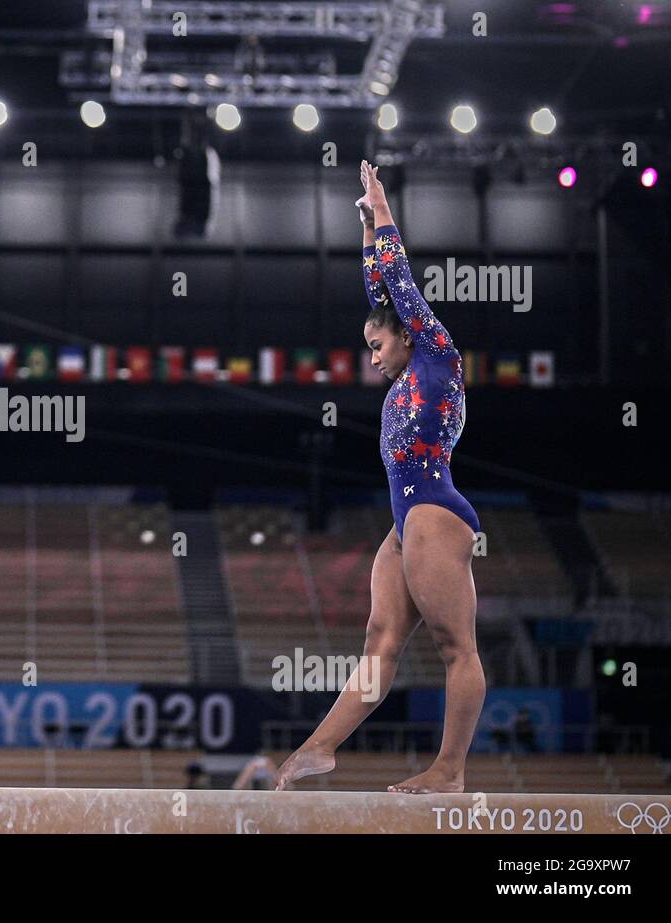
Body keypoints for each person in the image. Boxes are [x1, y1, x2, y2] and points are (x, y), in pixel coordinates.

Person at [275, 160, 484, 795]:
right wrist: (367, 229)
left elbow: (399, 288)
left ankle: (450, 768)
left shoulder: (437, 354)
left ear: (405, 337)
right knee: (381, 638)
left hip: (434, 514)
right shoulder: (405, 370)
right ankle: (320, 747)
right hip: (405, 524)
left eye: (376, 345)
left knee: (455, 647)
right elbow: (381, 289)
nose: (373, 356)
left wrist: (385, 213)